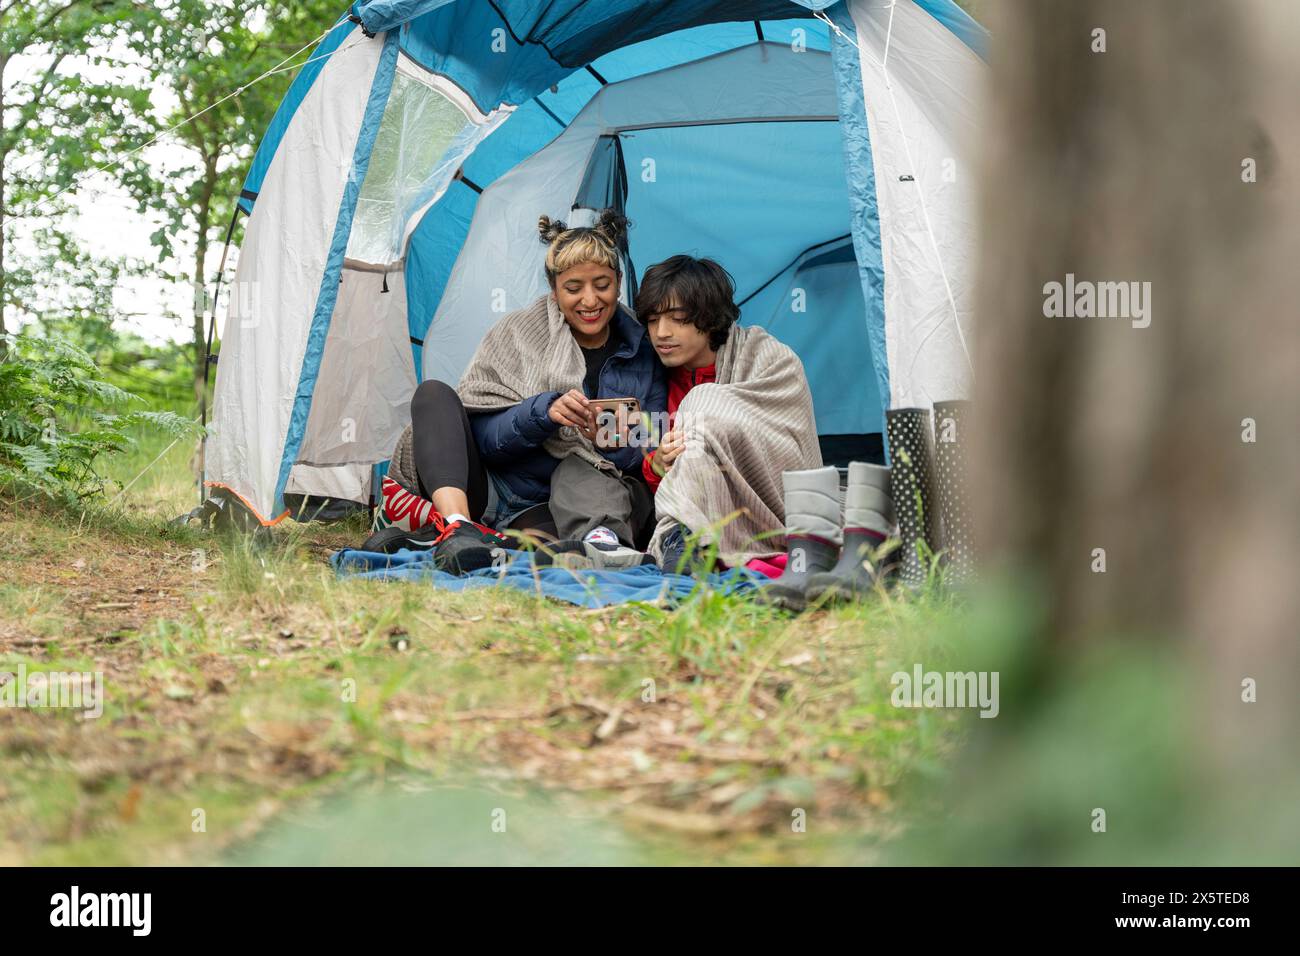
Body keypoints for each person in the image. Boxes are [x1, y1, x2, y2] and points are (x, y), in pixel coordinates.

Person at [374, 209, 665, 571]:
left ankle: (443, 541)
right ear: (555, 289)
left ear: (619, 282)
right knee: (433, 395)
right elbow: (483, 439)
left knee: (546, 552)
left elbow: (651, 451)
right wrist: (543, 413)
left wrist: (609, 444)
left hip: (558, 503)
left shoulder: (644, 349)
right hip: (486, 486)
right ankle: (457, 526)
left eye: (602, 285)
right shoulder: (517, 333)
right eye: (573, 288)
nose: (589, 300)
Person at [632, 255, 822, 572]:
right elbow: (652, 470)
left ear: (709, 318)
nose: (661, 332)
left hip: (766, 503)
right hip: (676, 504)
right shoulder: (647, 375)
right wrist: (657, 463)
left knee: (702, 401)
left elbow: (790, 453)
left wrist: (712, 425)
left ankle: (687, 542)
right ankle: (686, 542)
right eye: (652, 320)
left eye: (677, 318)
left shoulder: (768, 359)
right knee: (695, 445)